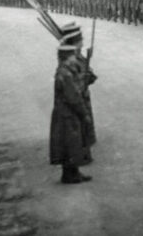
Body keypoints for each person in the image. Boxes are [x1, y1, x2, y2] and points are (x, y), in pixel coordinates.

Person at [50, 44, 92, 184]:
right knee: (69, 144)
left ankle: (74, 172)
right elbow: (73, 96)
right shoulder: (65, 74)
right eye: (73, 56)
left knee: (72, 144)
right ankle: (68, 175)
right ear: (67, 57)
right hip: (67, 115)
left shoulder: (65, 70)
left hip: (67, 114)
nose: (75, 58)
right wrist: (84, 113)